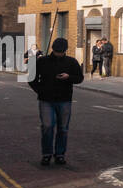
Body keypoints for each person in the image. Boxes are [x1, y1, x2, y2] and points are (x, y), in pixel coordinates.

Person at [28, 37, 84, 166]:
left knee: (63, 128)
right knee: (47, 127)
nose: (59, 53)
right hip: (46, 99)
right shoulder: (42, 61)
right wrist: (40, 91)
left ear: (65, 50)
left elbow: (79, 78)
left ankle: (60, 155)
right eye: (57, 51)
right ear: (53, 49)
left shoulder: (71, 62)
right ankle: (46, 154)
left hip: (64, 99)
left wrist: (68, 77)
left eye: (61, 51)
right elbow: (31, 78)